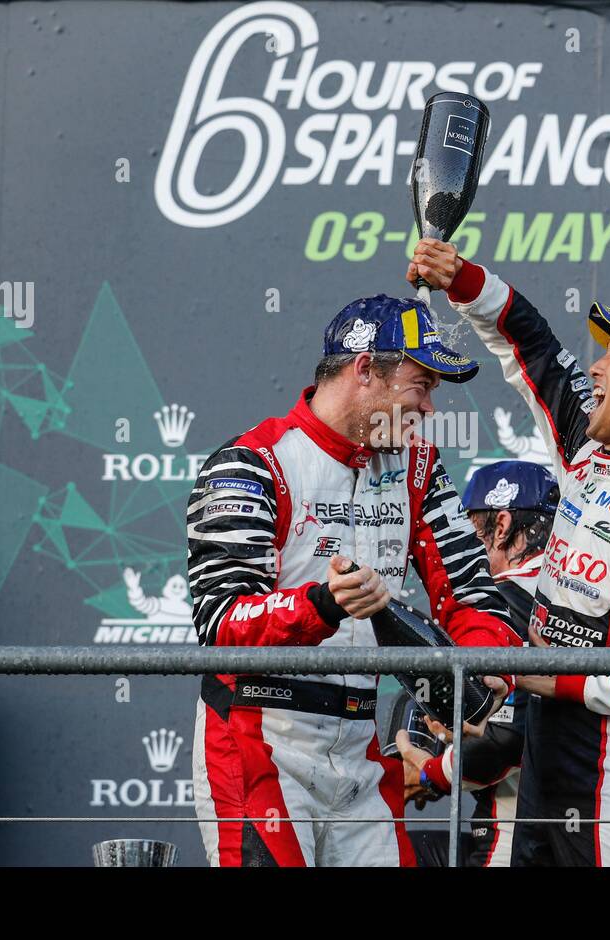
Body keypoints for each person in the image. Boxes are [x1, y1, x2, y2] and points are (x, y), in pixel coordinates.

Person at [409, 240, 610, 868]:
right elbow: (530, 344)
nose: (595, 367)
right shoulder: (585, 453)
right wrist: (462, 278)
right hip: (544, 755)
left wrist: (544, 675)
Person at [186, 294, 520, 867]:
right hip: (260, 739)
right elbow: (219, 624)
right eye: (421, 385)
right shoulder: (252, 463)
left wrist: (480, 665)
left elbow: (469, 588)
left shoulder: (416, 465)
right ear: (365, 370)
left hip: (360, 745)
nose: (431, 408)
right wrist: (322, 604)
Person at [399, 460, 557, 867]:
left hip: (518, 837)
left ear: (501, 525)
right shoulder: (576, 600)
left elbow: (503, 736)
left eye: (468, 524)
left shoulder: (497, 606)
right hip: (580, 824)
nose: (462, 544)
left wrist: (427, 774)